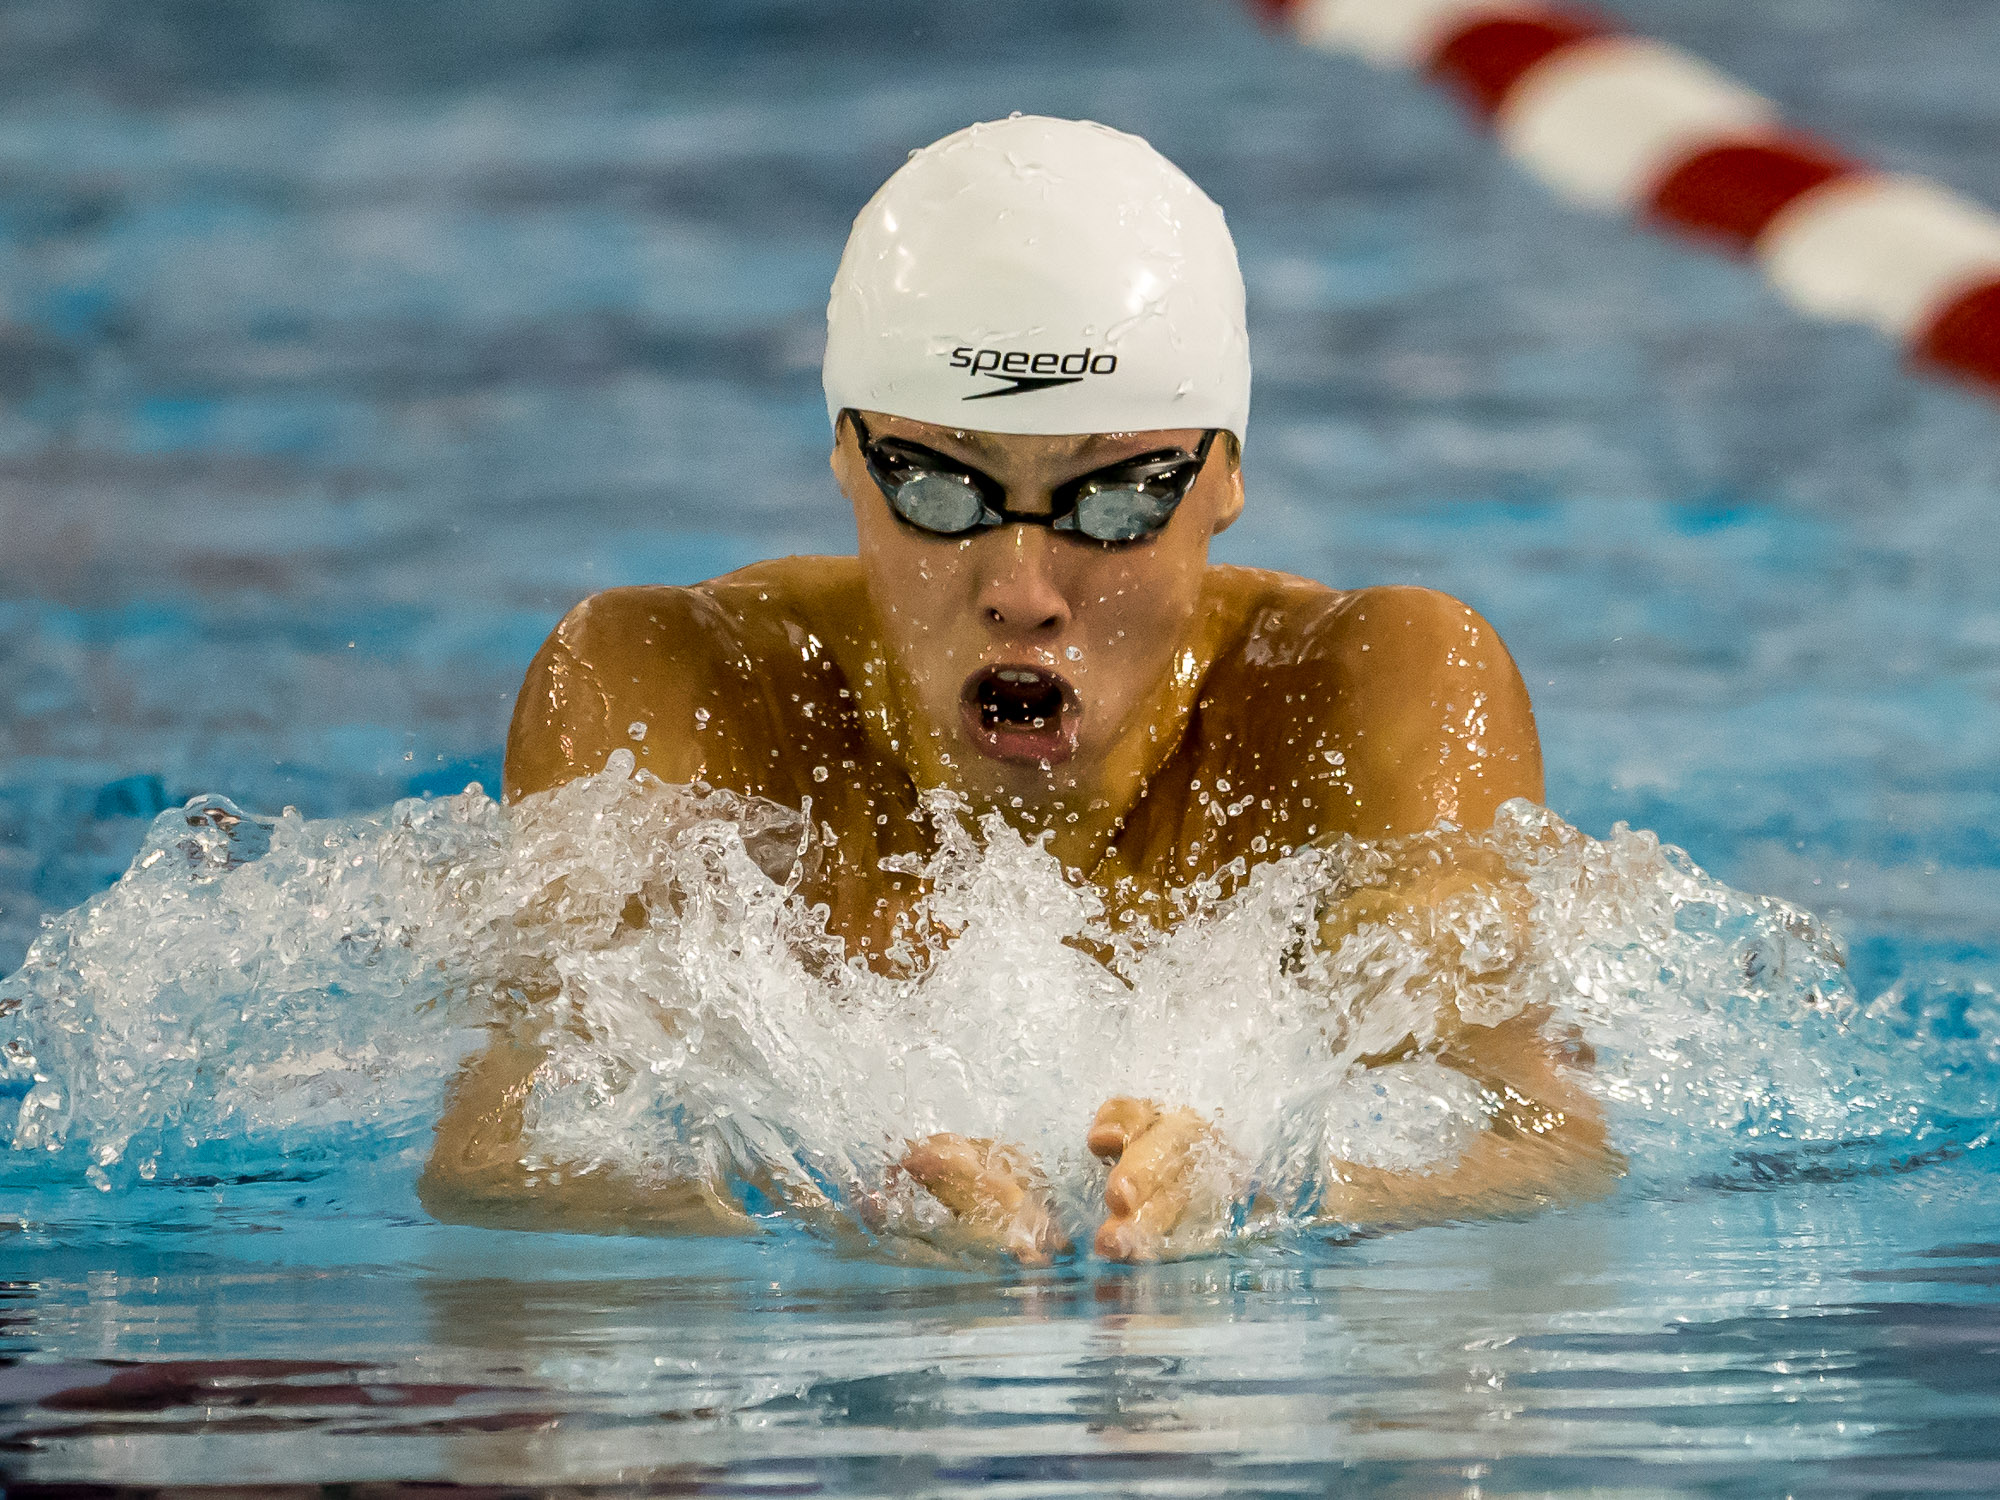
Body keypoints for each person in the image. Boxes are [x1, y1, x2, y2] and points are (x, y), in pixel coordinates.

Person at [420, 115, 1617, 1262]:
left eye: (1115, 499)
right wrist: (826, 1205)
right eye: (940, 490)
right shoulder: (673, 690)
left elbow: (1539, 1137)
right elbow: (500, 1151)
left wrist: (1280, 1189)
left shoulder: (1373, 688)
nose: (1024, 590)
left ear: (1225, 477)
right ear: (845, 455)